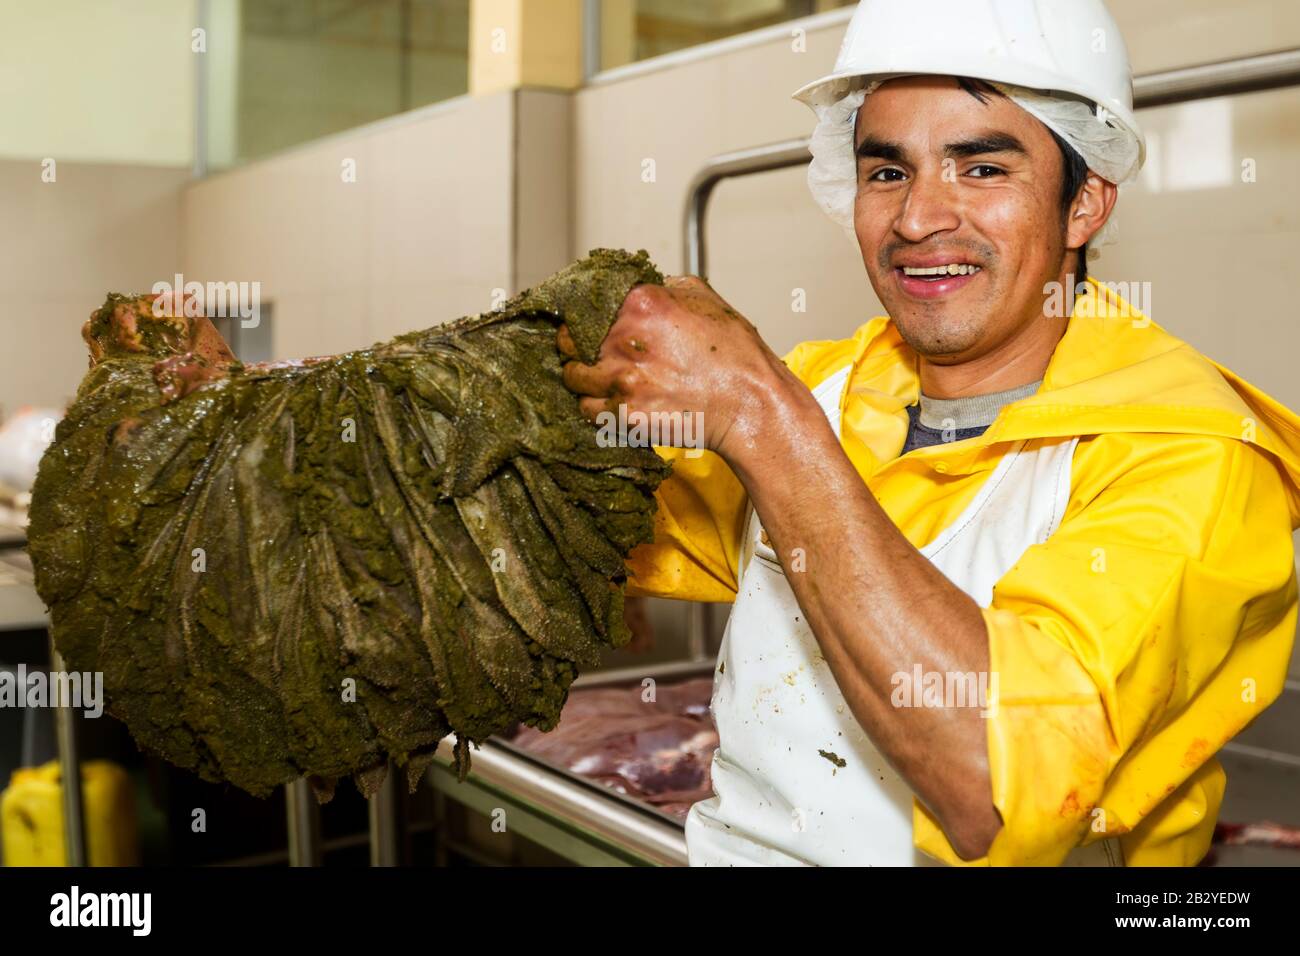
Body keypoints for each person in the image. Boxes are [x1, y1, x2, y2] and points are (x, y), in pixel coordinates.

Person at [558, 0, 1300, 866]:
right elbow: (607, 522)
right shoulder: (828, 385)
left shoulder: (1192, 454)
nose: (918, 219)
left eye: (981, 168)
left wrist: (762, 418)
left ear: (1085, 203)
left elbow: (993, 782)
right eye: (886, 173)